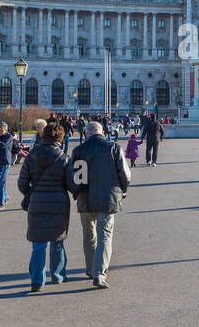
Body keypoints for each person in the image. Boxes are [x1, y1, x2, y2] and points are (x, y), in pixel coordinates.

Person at [16, 122, 76, 292]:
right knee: (57, 241)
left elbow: (22, 184)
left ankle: (37, 281)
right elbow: (72, 185)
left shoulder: (32, 155)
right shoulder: (64, 158)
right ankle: (58, 276)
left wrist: (32, 193)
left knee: (39, 243)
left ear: (43, 136)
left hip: (37, 202)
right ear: (60, 137)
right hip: (58, 204)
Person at [71, 121, 131, 288]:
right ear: (103, 131)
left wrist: (77, 193)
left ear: (86, 133)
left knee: (89, 235)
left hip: (86, 199)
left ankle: (90, 268)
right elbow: (125, 174)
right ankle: (99, 273)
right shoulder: (114, 148)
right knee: (105, 235)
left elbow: (76, 178)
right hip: (108, 198)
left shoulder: (78, 150)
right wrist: (123, 191)